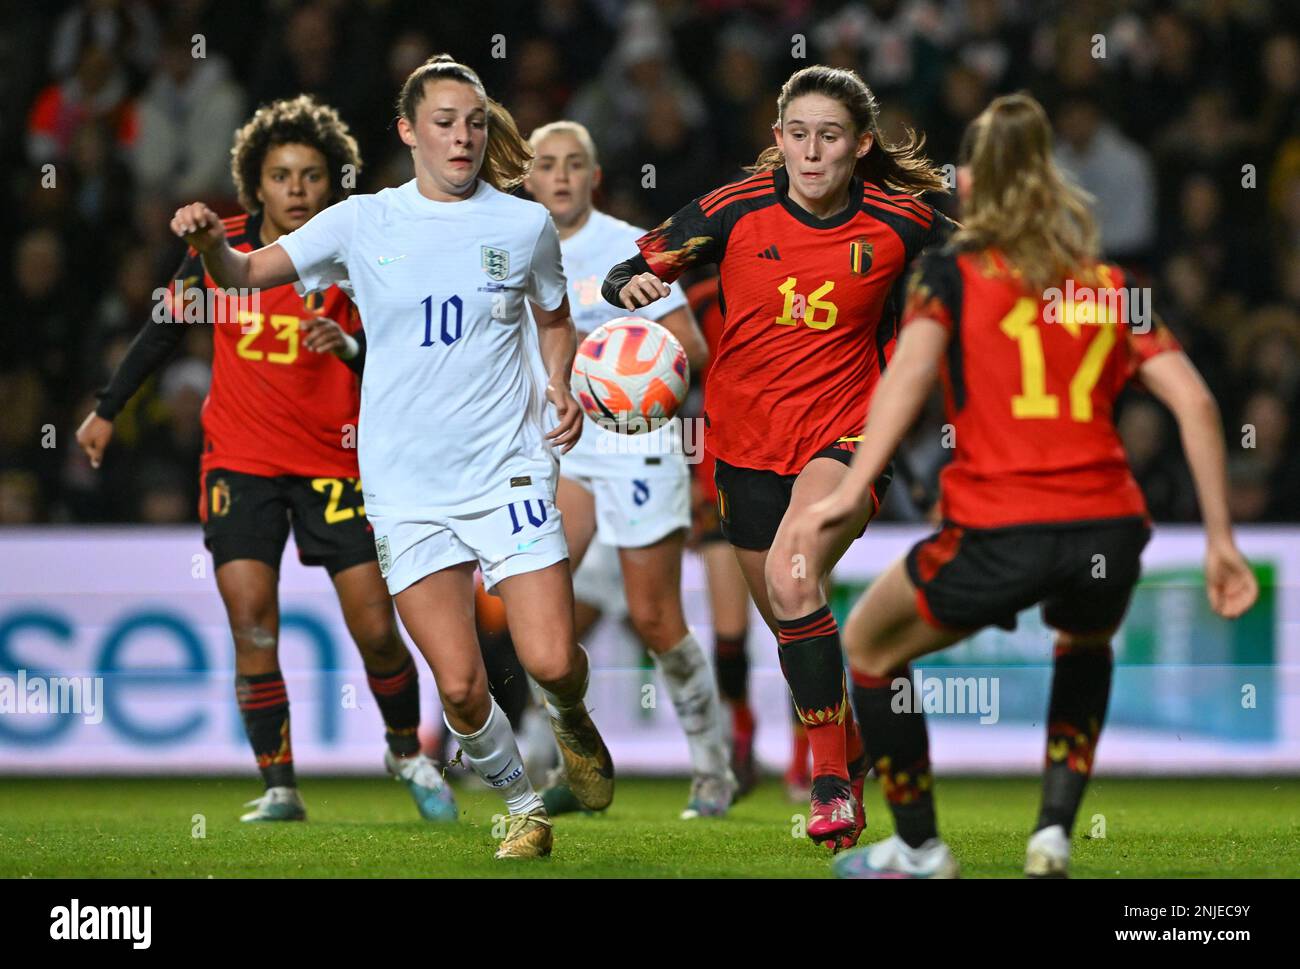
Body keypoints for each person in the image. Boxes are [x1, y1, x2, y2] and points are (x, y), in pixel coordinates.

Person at [788, 94, 1259, 878]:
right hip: (1109, 529)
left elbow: (903, 385)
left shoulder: (952, 275)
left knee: (869, 644)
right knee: (1086, 642)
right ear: (1048, 179)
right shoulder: (1113, 283)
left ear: (969, 183)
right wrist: (1219, 539)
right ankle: (1052, 834)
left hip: (1001, 524)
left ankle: (919, 847)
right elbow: (1198, 402)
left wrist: (849, 487)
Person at [165, 55, 615, 860]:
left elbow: (553, 318)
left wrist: (560, 384)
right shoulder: (361, 222)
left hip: (506, 468)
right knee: (458, 685)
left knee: (550, 656)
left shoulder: (522, 224)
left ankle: (572, 716)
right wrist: (208, 244)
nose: (463, 137)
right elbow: (242, 272)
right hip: (407, 489)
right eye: (444, 122)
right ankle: (520, 806)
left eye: (475, 122)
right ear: (408, 131)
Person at [76, 95, 456, 825]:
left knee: (377, 627)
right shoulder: (224, 252)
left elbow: (410, 356)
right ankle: (280, 784)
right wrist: (106, 408)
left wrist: (347, 347)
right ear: (257, 182)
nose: (296, 188)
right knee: (252, 617)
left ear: (328, 181)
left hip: (339, 465)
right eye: (280, 174)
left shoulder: (357, 250)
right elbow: (164, 328)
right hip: (241, 461)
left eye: (310, 174)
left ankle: (407, 750)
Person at [602, 65, 954, 850]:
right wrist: (627, 286)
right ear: (779, 140)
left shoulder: (904, 222)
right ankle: (850, 752)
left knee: (795, 577)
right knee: (794, 611)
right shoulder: (734, 211)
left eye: (830, 137)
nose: (812, 151)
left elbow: (984, 277)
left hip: (849, 435)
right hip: (745, 447)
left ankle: (828, 782)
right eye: (797, 135)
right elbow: (635, 263)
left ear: (861, 144)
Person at [520, 120, 733, 818]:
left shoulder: (625, 248)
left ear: (592, 176)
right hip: (561, 444)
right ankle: (562, 756)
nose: (559, 175)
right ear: (528, 177)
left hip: (635, 440)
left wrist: (614, 348)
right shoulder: (509, 248)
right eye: (545, 164)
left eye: (573, 164)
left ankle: (712, 764)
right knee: (544, 604)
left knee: (655, 615)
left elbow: (691, 348)